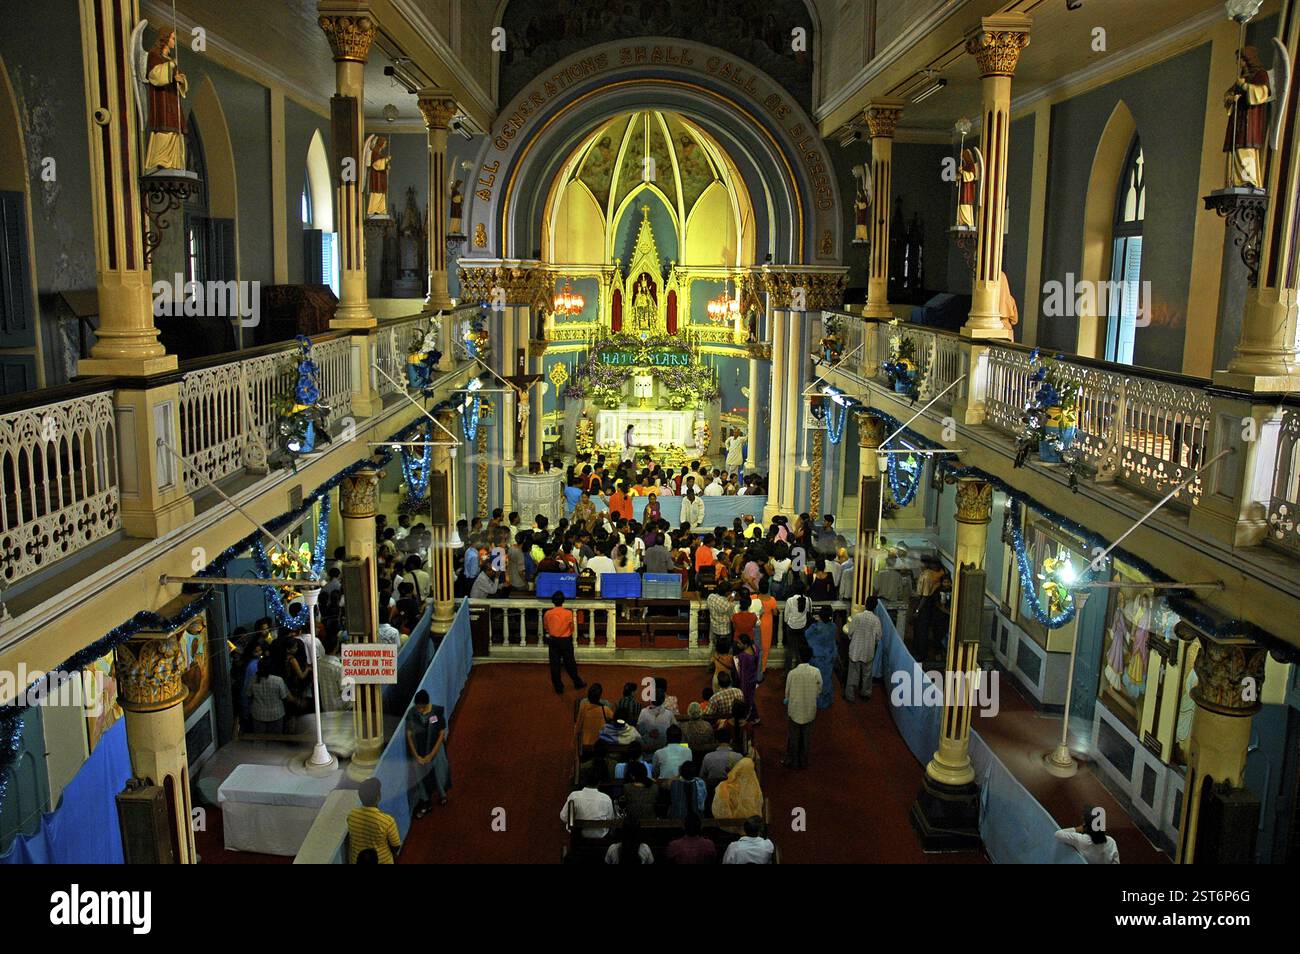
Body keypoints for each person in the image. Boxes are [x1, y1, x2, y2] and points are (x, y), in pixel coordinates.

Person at [405, 689, 451, 817]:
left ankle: (442, 794)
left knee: (439, 772)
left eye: (421, 708)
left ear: (426, 705)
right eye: (417, 707)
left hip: (436, 750)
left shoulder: (436, 712)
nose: (418, 710)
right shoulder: (412, 713)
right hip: (419, 751)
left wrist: (431, 755)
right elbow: (409, 735)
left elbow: (441, 735)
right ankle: (425, 801)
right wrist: (417, 756)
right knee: (419, 776)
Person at [347, 777, 401, 864]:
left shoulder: (352, 815)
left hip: (357, 860)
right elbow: (396, 846)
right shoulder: (387, 821)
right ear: (378, 797)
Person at [784, 644, 821, 769]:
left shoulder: (792, 673)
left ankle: (794, 761)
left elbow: (787, 692)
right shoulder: (816, 672)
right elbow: (819, 689)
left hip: (795, 709)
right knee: (806, 736)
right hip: (810, 709)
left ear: (798, 656)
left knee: (794, 736)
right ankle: (804, 760)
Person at [542, 591, 585, 694]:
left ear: (553, 601)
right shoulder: (568, 613)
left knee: (555, 665)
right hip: (566, 641)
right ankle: (577, 682)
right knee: (570, 663)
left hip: (553, 641)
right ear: (563, 601)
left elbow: (546, 627)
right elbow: (572, 628)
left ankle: (558, 687)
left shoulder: (548, 613)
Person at [561, 767, 617, 839]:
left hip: (578, 839)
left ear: (583, 781)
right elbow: (610, 819)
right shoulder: (606, 798)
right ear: (599, 782)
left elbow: (563, 817)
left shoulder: (574, 796)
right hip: (601, 838)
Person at [844, 597, 883, 702]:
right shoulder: (876, 620)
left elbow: (850, 633)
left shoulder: (857, 617)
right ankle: (866, 693)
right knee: (867, 674)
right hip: (868, 651)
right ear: (875, 607)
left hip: (855, 650)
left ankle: (850, 695)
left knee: (852, 674)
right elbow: (878, 637)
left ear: (865, 604)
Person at [1055, 806, 1121, 863]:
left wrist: (1077, 829)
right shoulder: (1111, 842)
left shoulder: (1082, 840)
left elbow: (1058, 834)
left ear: (1086, 824)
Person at [805, 607, 837, 710]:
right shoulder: (833, 627)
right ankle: (825, 701)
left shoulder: (815, 628)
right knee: (826, 680)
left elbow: (806, 636)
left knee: (815, 681)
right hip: (829, 657)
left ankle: (816, 702)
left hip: (817, 658)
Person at [248, 663, 291, 733]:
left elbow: (248, 695)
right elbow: (284, 696)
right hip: (276, 715)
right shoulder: (278, 680)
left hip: (258, 715)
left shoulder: (253, 680)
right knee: (275, 741)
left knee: (260, 740)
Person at [636, 683, 677, 752]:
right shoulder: (669, 714)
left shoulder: (643, 712)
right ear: (663, 700)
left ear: (651, 699)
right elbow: (675, 730)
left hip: (647, 751)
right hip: (664, 751)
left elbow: (639, 731)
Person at [575, 683, 614, 750]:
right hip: (601, 743)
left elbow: (578, 726)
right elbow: (613, 722)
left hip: (586, 744)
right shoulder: (606, 708)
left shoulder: (583, 705)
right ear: (599, 696)